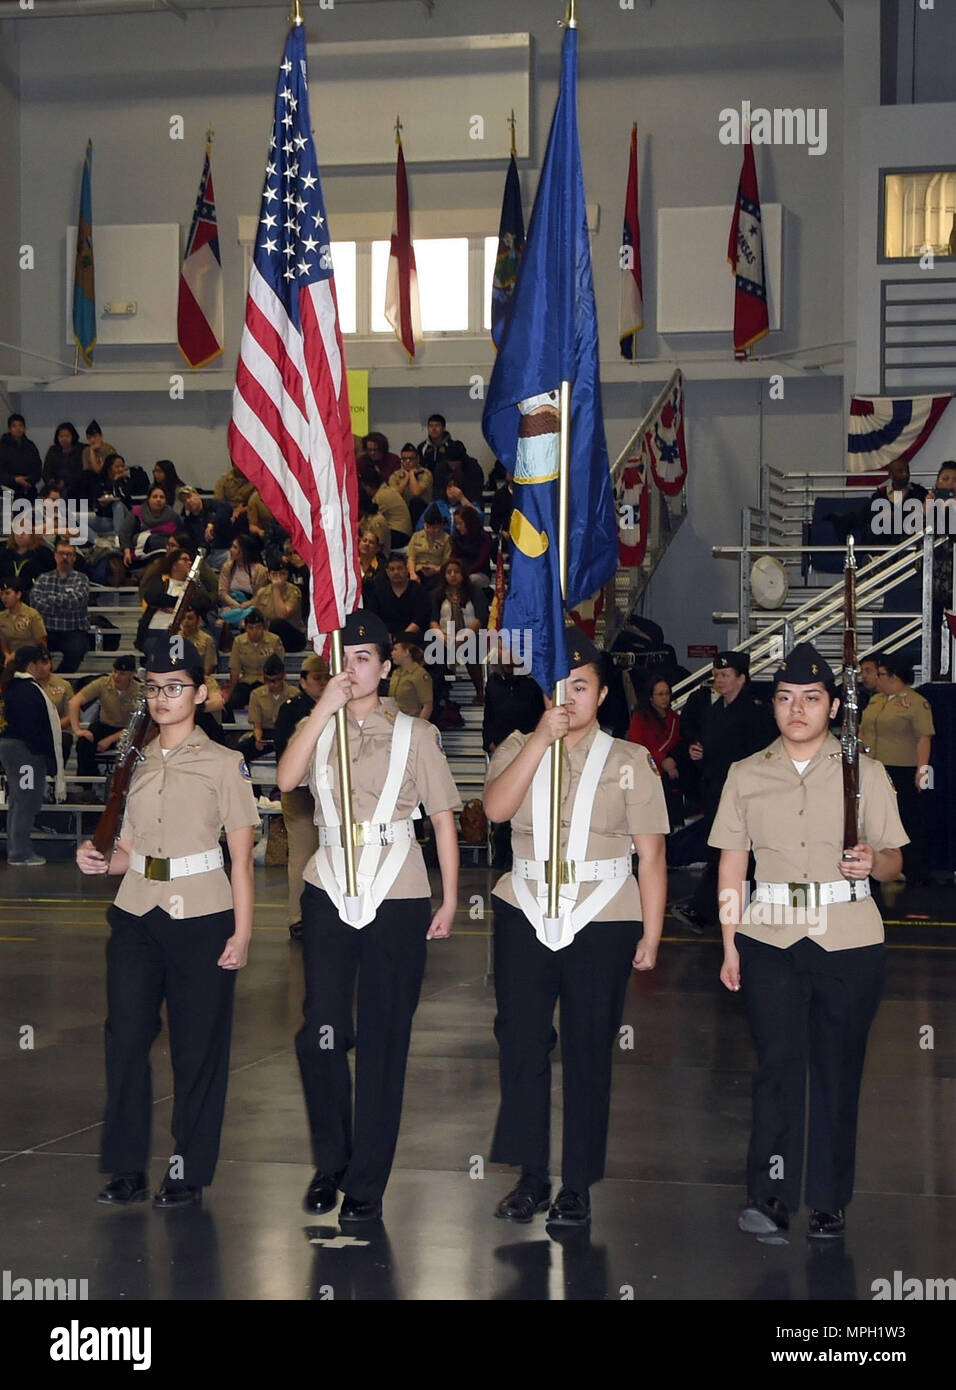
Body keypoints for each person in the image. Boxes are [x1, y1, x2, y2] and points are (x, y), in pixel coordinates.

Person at [711, 642, 908, 1240]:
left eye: (811, 699)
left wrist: (873, 861)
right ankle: (769, 1195)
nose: (797, 709)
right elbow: (731, 866)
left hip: (848, 939)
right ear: (773, 705)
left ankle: (827, 1198)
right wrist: (728, 940)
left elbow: (897, 862)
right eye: (786, 698)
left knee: (836, 1069)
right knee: (776, 1066)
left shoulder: (865, 773)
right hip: (769, 935)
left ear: (833, 707)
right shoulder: (745, 775)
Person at [276, 610, 460, 1225]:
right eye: (344, 659)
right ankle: (331, 1160)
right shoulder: (318, 724)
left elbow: (440, 817)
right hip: (329, 886)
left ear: (385, 667)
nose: (352, 669)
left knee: (384, 1037)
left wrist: (451, 896)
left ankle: (366, 1181)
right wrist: (322, 710)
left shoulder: (414, 734)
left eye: (364, 660)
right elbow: (285, 778)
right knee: (319, 1032)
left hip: (398, 890)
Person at [483, 624, 668, 1229]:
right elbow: (495, 809)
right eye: (559, 685)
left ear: (604, 694)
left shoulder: (629, 761)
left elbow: (652, 855)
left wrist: (651, 933)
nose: (569, 696)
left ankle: (578, 1184)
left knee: (590, 1049)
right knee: (522, 1043)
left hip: (603, 914)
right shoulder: (517, 746)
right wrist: (541, 738)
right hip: (525, 908)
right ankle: (530, 1176)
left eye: (582, 686)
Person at [76, 635, 259, 1209]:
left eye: (175, 687)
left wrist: (243, 930)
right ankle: (127, 1166)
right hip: (136, 911)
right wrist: (103, 859)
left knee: (197, 1049)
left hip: (203, 914)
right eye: (154, 688)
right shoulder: (133, 762)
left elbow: (241, 856)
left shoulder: (225, 764)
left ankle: (187, 1170)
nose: (162, 697)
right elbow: (131, 847)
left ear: (201, 694)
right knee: (126, 1037)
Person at [672, 652, 774, 934]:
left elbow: (761, 754)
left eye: (725, 675)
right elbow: (710, 746)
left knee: (730, 852)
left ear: (742, 677)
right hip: (717, 791)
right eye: (716, 675)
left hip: (746, 795)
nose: (719, 681)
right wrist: (697, 753)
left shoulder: (756, 711)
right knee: (728, 852)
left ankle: (705, 909)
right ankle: (723, 907)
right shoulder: (714, 711)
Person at [860, 655, 935, 885]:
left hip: (902, 769)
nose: (876, 678)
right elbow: (864, 730)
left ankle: (913, 870)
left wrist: (923, 772)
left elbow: (924, 738)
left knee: (907, 820)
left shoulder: (915, 702)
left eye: (880, 674)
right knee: (871, 818)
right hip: (874, 768)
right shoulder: (875, 701)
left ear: (893, 676)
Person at [273, 652, 329, 941]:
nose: (322, 682)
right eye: (316, 678)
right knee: (302, 855)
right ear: (303, 680)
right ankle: (298, 916)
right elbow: (283, 752)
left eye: (325, 677)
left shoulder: (334, 707)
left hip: (330, 791)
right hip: (301, 793)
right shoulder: (293, 709)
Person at [0, 644, 66, 865]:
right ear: (32, 665)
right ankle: (20, 852)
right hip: (25, 752)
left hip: (17, 749)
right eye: (42, 662)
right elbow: (32, 728)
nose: (46, 667)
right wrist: (44, 753)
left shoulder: (15, 686)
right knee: (26, 800)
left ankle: (17, 849)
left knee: (19, 801)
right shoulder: (26, 690)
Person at [68, 654, 143, 780]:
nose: (116, 676)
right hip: (105, 725)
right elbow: (74, 702)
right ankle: (86, 787)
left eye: (122, 673)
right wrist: (77, 730)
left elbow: (139, 724)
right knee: (84, 742)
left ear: (132, 674)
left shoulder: (139, 691)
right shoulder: (103, 683)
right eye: (115, 671)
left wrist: (110, 739)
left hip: (129, 731)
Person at [628, 674, 683, 829]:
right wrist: (662, 760)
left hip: (667, 776)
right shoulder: (640, 717)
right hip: (647, 773)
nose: (665, 698)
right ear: (651, 697)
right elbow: (638, 746)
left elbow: (678, 744)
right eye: (660, 694)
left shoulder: (674, 719)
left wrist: (671, 761)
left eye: (667, 693)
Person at [29, 538, 90, 673]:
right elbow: (35, 601)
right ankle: (44, 678)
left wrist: (50, 600)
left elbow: (78, 600)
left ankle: (59, 679)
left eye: (69, 554)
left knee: (77, 650)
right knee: (34, 649)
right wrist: (62, 607)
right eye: (61, 553)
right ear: (55, 556)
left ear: (74, 558)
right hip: (47, 630)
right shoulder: (43, 578)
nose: (64, 557)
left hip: (73, 630)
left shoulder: (82, 578)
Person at [430, 558, 485, 704]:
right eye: (449, 572)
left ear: (463, 574)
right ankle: (441, 694)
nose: (453, 575)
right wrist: (443, 636)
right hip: (445, 636)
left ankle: (480, 691)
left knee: (472, 649)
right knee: (434, 649)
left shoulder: (475, 592)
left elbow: (481, 618)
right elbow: (433, 621)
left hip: (471, 635)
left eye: (456, 572)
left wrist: (463, 637)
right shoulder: (438, 594)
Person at [225, 609, 284, 715]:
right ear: (246, 628)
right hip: (247, 680)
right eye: (250, 628)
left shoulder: (274, 640)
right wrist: (230, 692)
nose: (254, 631)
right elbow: (235, 669)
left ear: (264, 627)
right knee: (231, 703)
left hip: (267, 682)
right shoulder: (239, 641)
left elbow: (279, 667)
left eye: (258, 627)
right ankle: (233, 731)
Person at [363, 552, 431, 642]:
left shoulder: (418, 590)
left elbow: (420, 619)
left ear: (406, 570)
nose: (396, 572)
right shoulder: (379, 591)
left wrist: (402, 638)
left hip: (413, 637)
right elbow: (373, 618)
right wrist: (386, 637)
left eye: (399, 568)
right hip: (385, 637)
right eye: (392, 569)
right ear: (387, 572)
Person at [237, 654, 290, 766]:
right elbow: (257, 725)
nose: (273, 684)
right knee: (240, 752)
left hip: (288, 734)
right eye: (269, 680)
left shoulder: (294, 694)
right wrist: (258, 739)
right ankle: (250, 783)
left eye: (277, 680)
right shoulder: (256, 694)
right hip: (266, 733)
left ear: (284, 676)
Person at [252, 555, 305, 653]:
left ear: (287, 575)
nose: (278, 578)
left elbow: (282, 615)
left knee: (277, 624)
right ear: (269, 575)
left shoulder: (293, 591)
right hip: (269, 635)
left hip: (292, 636)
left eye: (282, 574)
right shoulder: (262, 592)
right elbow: (256, 615)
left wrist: (276, 589)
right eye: (274, 574)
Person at [120, 486, 181, 568]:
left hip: (162, 554)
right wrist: (127, 552)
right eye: (155, 497)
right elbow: (124, 532)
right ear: (148, 499)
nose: (158, 500)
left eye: (162, 497)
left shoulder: (173, 517)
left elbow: (180, 537)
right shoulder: (137, 512)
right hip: (136, 552)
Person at [34, 646, 74, 769]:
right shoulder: (23, 686)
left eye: (45, 662)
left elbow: (71, 715)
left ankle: (55, 777)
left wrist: (53, 727)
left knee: (64, 740)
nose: (41, 667)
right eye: (37, 663)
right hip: (32, 730)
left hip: (59, 729)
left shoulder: (63, 685)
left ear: (51, 663)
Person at [358, 463, 411, 552]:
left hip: (399, 535)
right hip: (401, 532)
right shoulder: (386, 491)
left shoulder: (380, 497)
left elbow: (369, 520)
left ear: (367, 486)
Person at [218, 535, 267, 629]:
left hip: (252, 605)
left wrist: (247, 604)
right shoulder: (227, 567)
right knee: (227, 612)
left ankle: (232, 619)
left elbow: (260, 596)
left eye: (235, 547)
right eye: (231, 546)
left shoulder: (260, 570)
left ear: (245, 551)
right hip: (232, 604)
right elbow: (222, 592)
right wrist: (236, 605)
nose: (231, 550)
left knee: (251, 612)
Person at [450, 505, 493, 605]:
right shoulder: (456, 538)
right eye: (456, 524)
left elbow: (481, 561)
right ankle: (452, 616)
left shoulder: (484, 538)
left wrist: (464, 574)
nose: (458, 527)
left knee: (471, 580)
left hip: (479, 572)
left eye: (460, 523)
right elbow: (454, 557)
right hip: (460, 572)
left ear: (469, 522)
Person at [0, 579, 48, 660]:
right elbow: (3, 641)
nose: (4, 597)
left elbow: (42, 643)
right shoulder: (2, 616)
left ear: (18, 595)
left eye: (7, 593)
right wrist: (7, 655)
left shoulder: (32, 615)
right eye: (1, 594)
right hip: (10, 658)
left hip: (30, 658)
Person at [388, 634, 433, 719]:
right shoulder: (396, 673)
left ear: (406, 652)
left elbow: (427, 706)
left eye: (395, 649)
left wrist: (418, 729)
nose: (392, 653)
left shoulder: (419, 674)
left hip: (411, 723)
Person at [406, 504, 451, 586]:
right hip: (417, 569)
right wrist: (412, 574)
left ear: (441, 526)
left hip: (436, 571)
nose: (431, 530)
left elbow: (446, 561)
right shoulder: (417, 536)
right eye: (428, 527)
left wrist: (436, 570)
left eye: (434, 528)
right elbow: (411, 558)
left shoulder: (447, 539)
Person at [389, 443, 433, 528]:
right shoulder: (395, 475)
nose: (407, 462)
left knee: (416, 502)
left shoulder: (426, 474)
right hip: (402, 513)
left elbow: (416, 492)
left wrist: (412, 474)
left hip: (422, 513)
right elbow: (395, 495)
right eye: (404, 459)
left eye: (411, 459)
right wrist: (406, 477)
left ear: (417, 459)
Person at [0, 531, 56, 597]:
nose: (20, 535)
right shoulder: (3, 552)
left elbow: (50, 579)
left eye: (24, 532)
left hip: (33, 595)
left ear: (32, 534)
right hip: (4, 594)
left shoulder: (44, 554)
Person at [0, 414, 43, 498]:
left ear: (24, 428)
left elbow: (37, 467)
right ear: (9, 429)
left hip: (28, 489)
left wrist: (29, 481)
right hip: (7, 491)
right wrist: (15, 479)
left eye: (20, 426)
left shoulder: (30, 446)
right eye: (14, 426)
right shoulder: (2, 447)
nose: (18, 429)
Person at [433, 440, 485, 509]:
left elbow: (476, 494)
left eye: (456, 463)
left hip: (469, 501)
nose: (453, 467)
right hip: (444, 503)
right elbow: (437, 492)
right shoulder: (441, 468)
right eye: (451, 463)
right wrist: (446, 494)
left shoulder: (473, 468)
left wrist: (461, 497)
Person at [42, 423, 85, 495]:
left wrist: (65, 483)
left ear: (73, 436)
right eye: (61, 436)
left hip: (75, 487)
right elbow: (46, 470)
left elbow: (80, 472)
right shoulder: (53, 450)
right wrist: (50, 480)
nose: (64, 439)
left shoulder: (80, 450)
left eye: (67, 436)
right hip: (54, 486)